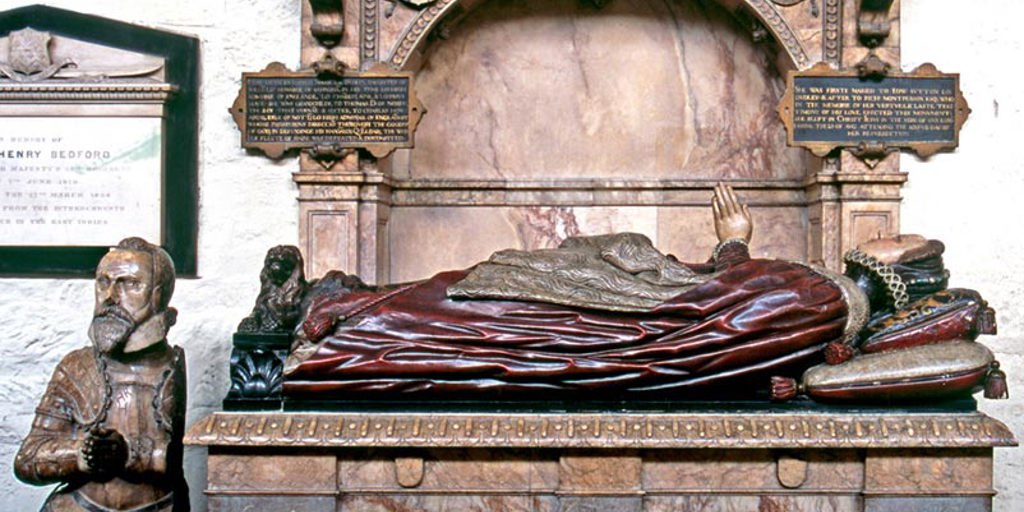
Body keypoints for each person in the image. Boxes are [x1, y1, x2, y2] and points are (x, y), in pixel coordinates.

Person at [283, 185, 993, 401]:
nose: (886, 235)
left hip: (615, 330)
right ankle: (350, 310)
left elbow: (708, 304)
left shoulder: (815, 293)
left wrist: (731, 243)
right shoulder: (817, 304)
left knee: (470, 301)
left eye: (898, 241)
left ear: (892, 262)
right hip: (625, 325)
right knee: (473, 291)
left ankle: (345, 316)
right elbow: (727, 306)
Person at [15, 238, 188, 511]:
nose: (111, 296)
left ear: (158, 294)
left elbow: (173, 459)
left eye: (130, 284)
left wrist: (128, 454)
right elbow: (27, 458)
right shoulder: (77, 367)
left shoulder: (171, 365)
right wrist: (83, 454)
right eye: (103, 282)